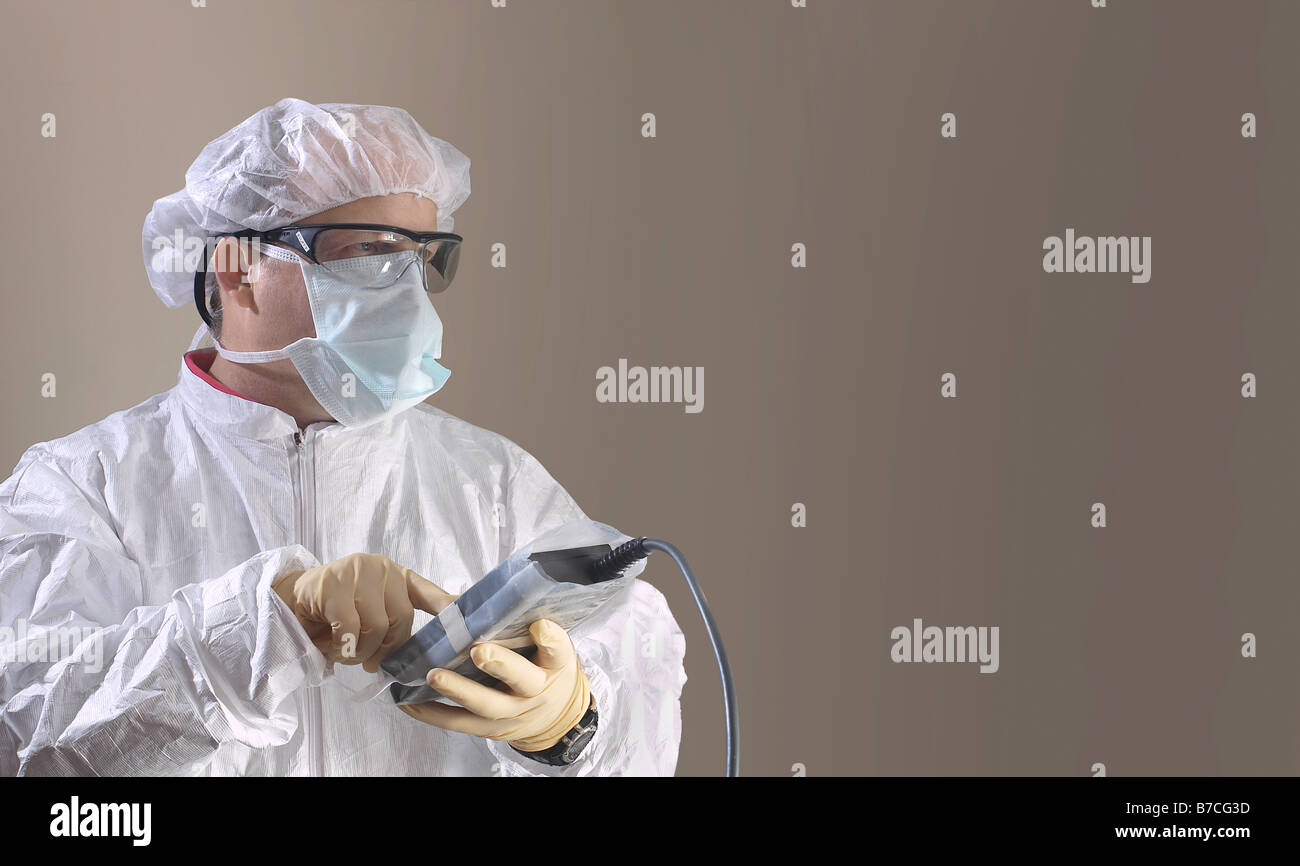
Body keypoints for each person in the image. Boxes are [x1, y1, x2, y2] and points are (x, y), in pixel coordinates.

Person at [0, 98, 687, 776]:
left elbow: (634, 681)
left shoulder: (495, 483)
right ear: (239, 268)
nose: (410, 292)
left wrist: (570, 726)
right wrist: (267, 625)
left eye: (426, 257)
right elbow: (30, 738)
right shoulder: (82, 487)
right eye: (372, 252)